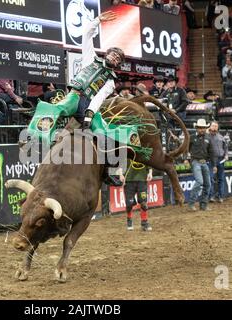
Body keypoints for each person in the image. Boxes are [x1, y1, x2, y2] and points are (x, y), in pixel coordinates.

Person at [24, 11, 125, 142]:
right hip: (74, 96)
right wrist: (97, 20)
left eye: (117, 58)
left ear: (118, 64)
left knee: (101, 131)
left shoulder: (110, 82)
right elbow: (87, 35)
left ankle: (116, 152)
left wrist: (90, 113)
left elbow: (99, 98)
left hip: (88, 105)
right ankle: (34, 136)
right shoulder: (91, 58)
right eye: (113, 54)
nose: (114, 57)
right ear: (107, 54)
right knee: (54, 109)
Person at [184, 119, 215, 211]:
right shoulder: (192, 137)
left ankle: (203, 205)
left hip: (205, 163)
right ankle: (191, 203)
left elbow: (211, 152)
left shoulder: (208, 138)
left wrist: (214, 165)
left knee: (208, 184)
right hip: (195, 162)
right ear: (197, 128)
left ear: (205, 128)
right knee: (200, 181)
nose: (202, 129)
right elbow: (186, 149)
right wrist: (185, 159)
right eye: (200, 128)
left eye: (203, 128)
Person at [119, 161, 153, 231]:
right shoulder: (128, 150)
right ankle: (129, 219)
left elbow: (150, 163)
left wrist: (150, 173)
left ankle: (144, 222)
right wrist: (120, 174)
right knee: (129, 203)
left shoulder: (144, 150)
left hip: (142, 179)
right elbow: (121, 162)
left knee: (143, 202)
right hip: (128, 180)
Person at [208, 121, 229, 203]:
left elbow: (226, 147)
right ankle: (211, 196)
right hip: (211, 160)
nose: (214, 128)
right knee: (210, 178)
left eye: (216, 126)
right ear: (210, 127)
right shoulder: (207, 137)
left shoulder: (221, 137)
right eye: (213, 126)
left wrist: (226, 155)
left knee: (221, 179)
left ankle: (220, 196)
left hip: (221, 160)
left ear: (217, 128)